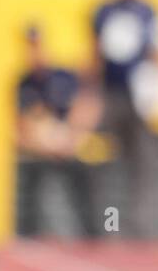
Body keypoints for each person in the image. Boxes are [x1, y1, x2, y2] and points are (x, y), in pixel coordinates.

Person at [92, 0, 158, 237]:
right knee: (100, 158)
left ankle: (141, 227)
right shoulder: (104, 11)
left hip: (140, 96)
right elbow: (95, 53)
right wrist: (92, 93)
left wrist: (155, 94)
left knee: (143, 162)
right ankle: (102, 224)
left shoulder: (148, 11)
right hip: (111, 93)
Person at [15, 24, 101, 238]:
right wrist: (44, 144)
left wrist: (71, 139)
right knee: (33, 176)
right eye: (30, 48)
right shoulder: (24, 83)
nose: (35, 53)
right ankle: (30, 232)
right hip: (41, 150)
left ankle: (92, 232)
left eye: (37, 46)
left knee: (86, 175)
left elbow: (87, 106)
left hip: (71, 145)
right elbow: (23, 124)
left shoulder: (64, 77)